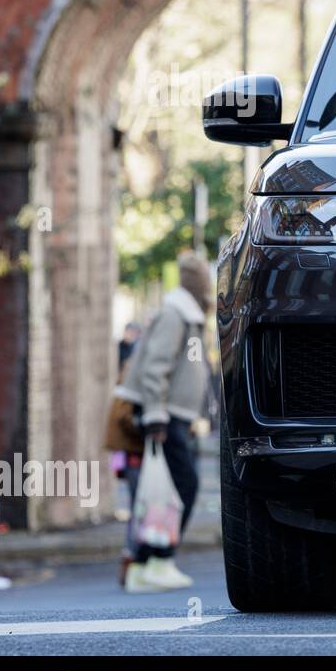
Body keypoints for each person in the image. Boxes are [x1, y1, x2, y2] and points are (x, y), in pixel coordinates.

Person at [114, 251, 210, 592]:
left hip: (175, 417)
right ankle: (159, 559)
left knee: (160, 492)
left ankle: (142, 565)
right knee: (181, 487)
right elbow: (156, 367)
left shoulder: (187, 315)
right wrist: (155, 416)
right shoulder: (176, 314)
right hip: (165, 417)